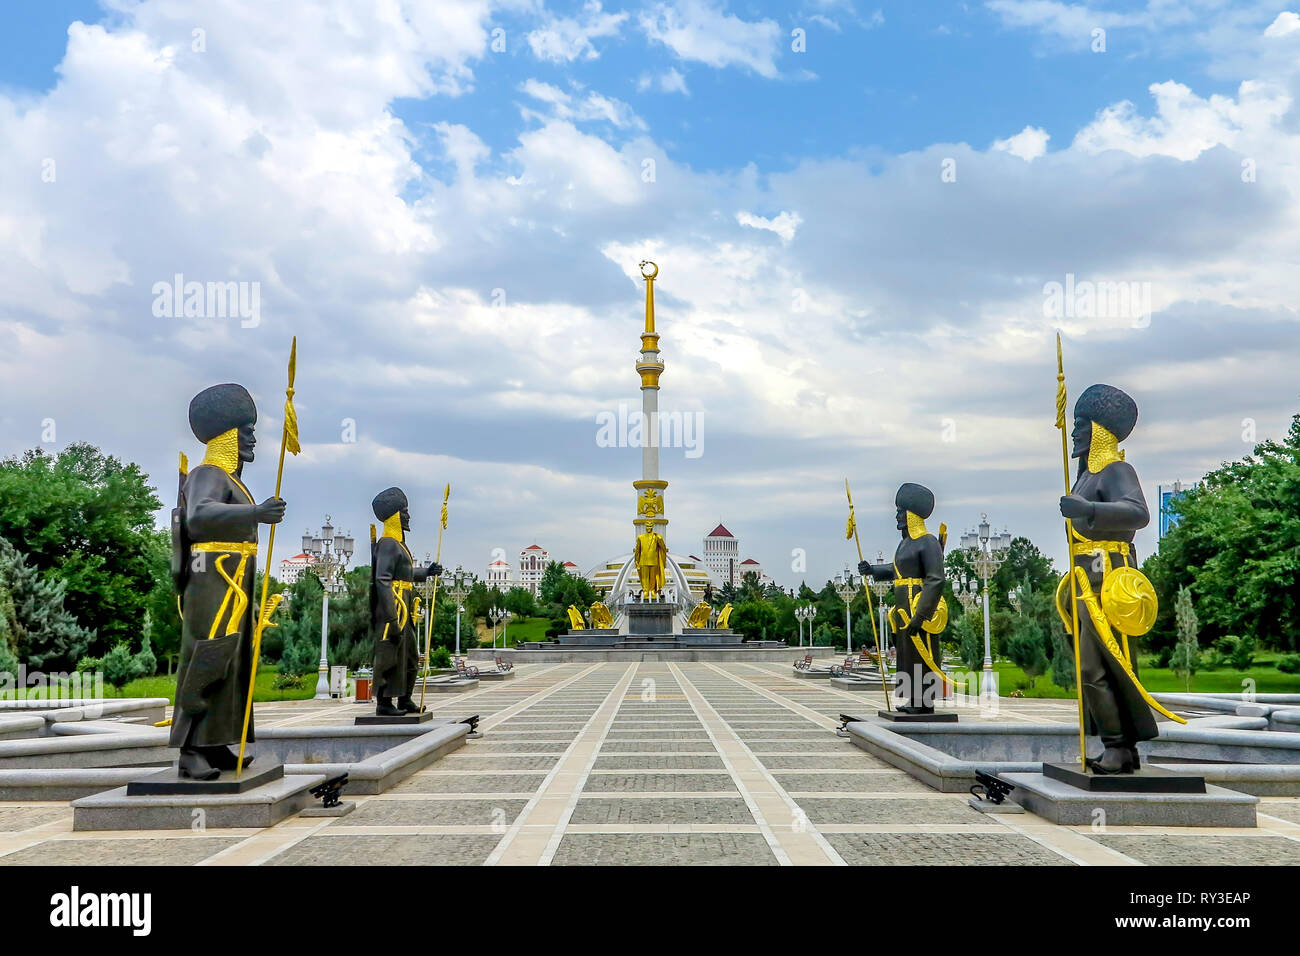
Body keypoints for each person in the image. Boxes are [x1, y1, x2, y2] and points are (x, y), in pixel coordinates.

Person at [171, 384, 285, 780]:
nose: (252, 437)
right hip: (212, 574)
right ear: (227, 434)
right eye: (245, 429)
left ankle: (216, 742)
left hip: (234, 576)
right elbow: (199, 517)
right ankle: (189, 751)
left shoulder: (232, 481)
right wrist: (256, 512)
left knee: (233, 659)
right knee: (209, 652)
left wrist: (254, 511)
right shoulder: (208, 473)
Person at [1058, 384, 1161, 774]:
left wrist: (1088, 509)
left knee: (1105, 664)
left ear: (1099, 430)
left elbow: (1137, 513)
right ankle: (1119, 746)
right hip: (1085, 579)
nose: (1073, 432)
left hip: (1109, 579)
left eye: (1080, 424)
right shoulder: (1084, 476)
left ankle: (1119, 746)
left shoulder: (1117, 470)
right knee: (1092, 664)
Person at [858, 483, 949, 713]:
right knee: (907, 656)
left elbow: (936, 579)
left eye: (900, 512)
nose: (897, 516)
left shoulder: (928, 542)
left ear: (911, 515)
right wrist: (872, 570)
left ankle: (925, 703)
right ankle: (912, 699)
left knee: (922, 653)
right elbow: (897, 569)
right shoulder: (904, 544)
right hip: (902, 609)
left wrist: (921, 615)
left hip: (919, 607)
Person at [370, 487, 443, 716]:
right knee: (390, 654)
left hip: (406, 605)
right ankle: (384, 703)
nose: (408, 516)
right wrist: (391, 617)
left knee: (410, 655)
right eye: (404, 511)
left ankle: (405, 699)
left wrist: (426, 572)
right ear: (394, 516)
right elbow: (382, 580)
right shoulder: (388, 543)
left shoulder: (400, 545)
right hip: (394, 606)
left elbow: (406, 573)